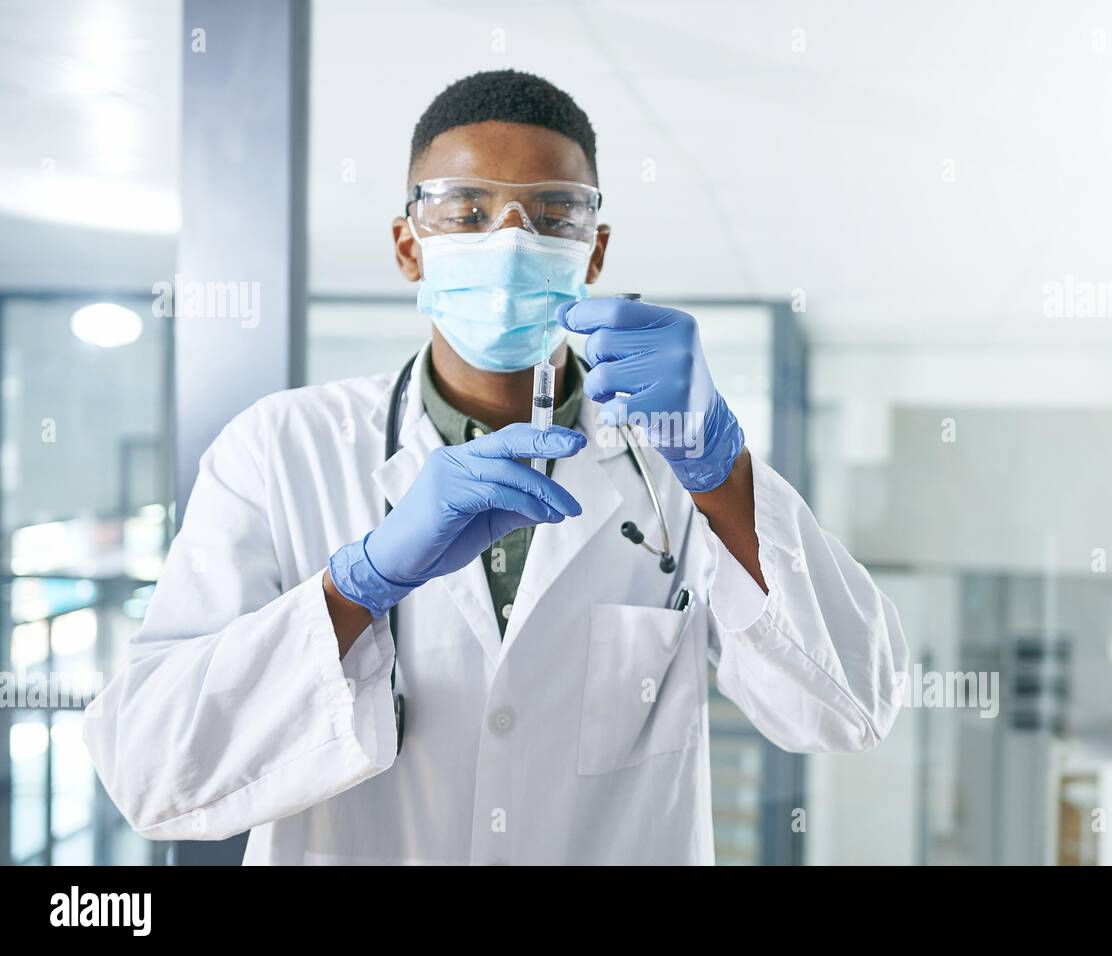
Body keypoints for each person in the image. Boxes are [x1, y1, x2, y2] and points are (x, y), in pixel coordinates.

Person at [83, 70, 908, 865]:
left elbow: (852, 707)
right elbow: (152, 773)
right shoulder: (280, 449)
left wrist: (721, 468)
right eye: (466, 211)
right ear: (409, 247)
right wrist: (356, 588)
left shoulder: (677, 468)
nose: (510, 241)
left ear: (594, 251)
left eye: (553, 214)